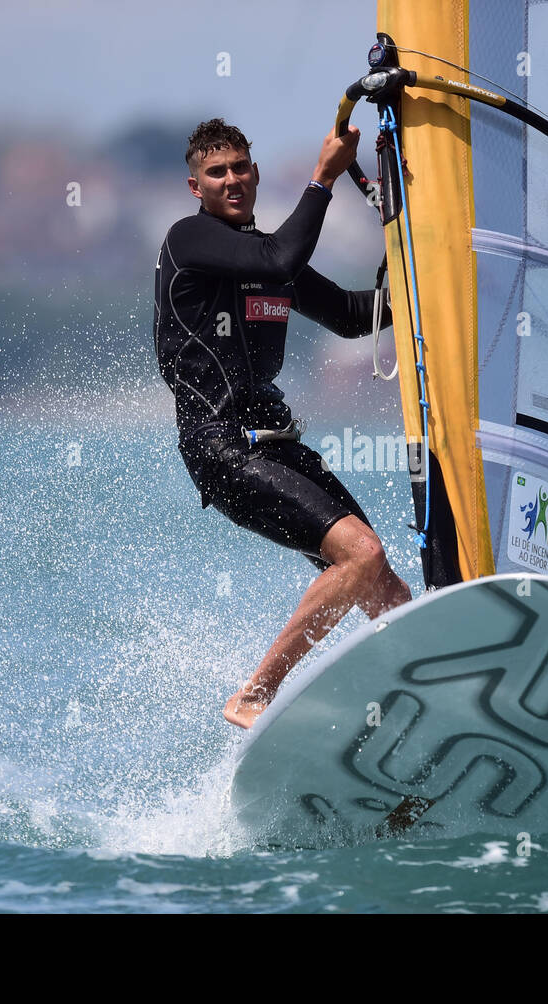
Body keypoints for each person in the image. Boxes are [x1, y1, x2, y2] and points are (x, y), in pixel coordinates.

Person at [153, 118, 413, 729]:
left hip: (277, 444)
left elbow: (354, 317)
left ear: (255, 173)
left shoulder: (271, 263)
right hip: (221, 448)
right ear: (197, 187)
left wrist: (425, 269)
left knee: (385, 587)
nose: (232, 179)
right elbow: (278, 256)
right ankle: (255, 694)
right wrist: (323, 179)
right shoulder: (188, 242)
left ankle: (413, 708)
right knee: (361, 553)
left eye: (241, 167)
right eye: (216, 173)